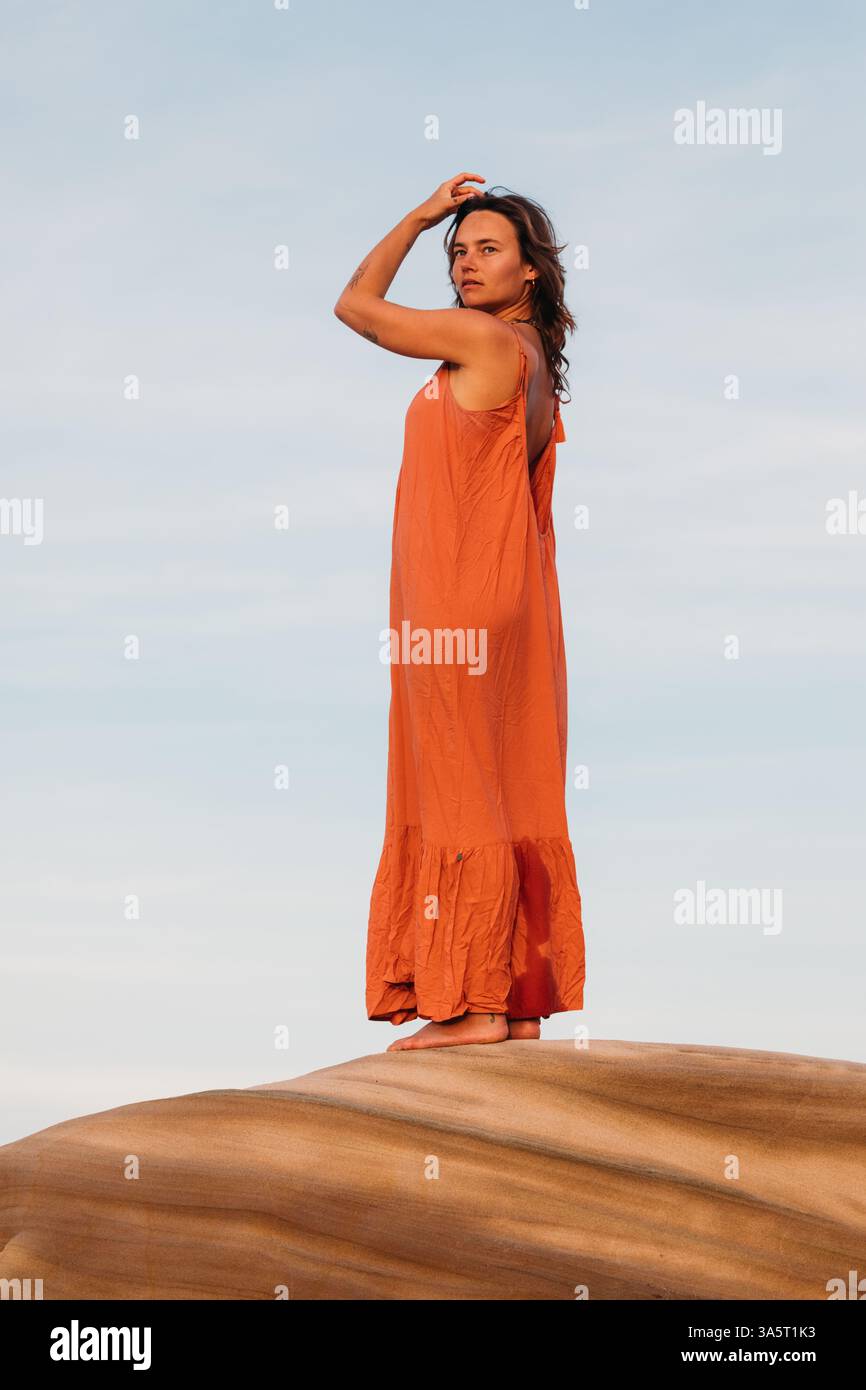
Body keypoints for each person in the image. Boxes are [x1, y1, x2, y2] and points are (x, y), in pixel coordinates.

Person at [334, 173, 586, 1052]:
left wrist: (414, 215)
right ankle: (513, 1006)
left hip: (457, 599)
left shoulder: (480, 342)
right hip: (515, 608)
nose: (466, 262)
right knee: (503, 776)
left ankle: (473, 1006)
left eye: (487, 249)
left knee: (454, 777)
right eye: (457, 250)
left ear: (530, 274)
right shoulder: (535, 369)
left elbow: (355, 307)